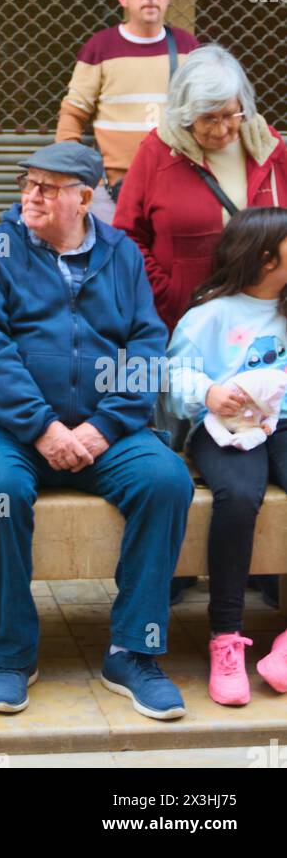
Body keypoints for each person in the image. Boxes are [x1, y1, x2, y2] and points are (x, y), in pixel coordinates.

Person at [0, 142, 194, 720]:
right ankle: (14, 654)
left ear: (85, 198)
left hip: (106, 429)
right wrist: (43, 429)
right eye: (27, 182)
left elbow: (145, 343)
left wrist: (102, 428)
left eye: (47, 186)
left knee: (166, 481)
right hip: (13, 429)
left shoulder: (122, 254)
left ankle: (133, 652)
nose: (30, 195)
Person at [167, 208, 287, 704]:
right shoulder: (208, 315)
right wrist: (209, 392)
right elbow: (172, 380)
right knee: (238, 496)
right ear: (265, 258)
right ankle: (226, 637)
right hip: (224, 428)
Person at [115, 44, 287, 335]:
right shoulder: (157, 152)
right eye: (208, 118)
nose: (221, 130)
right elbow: (126, 235)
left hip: (267, 320)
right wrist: (166, 293)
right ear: (185, 113)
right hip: (184, 319)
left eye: (230, 115)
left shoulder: (268, 147)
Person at [56, 0, 199, 221]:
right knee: (115, 260)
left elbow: (205, 111)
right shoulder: (100, 47)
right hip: (113, 189)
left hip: (176, 182)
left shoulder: (187, 46)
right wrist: (78, 175)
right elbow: (73, 115)